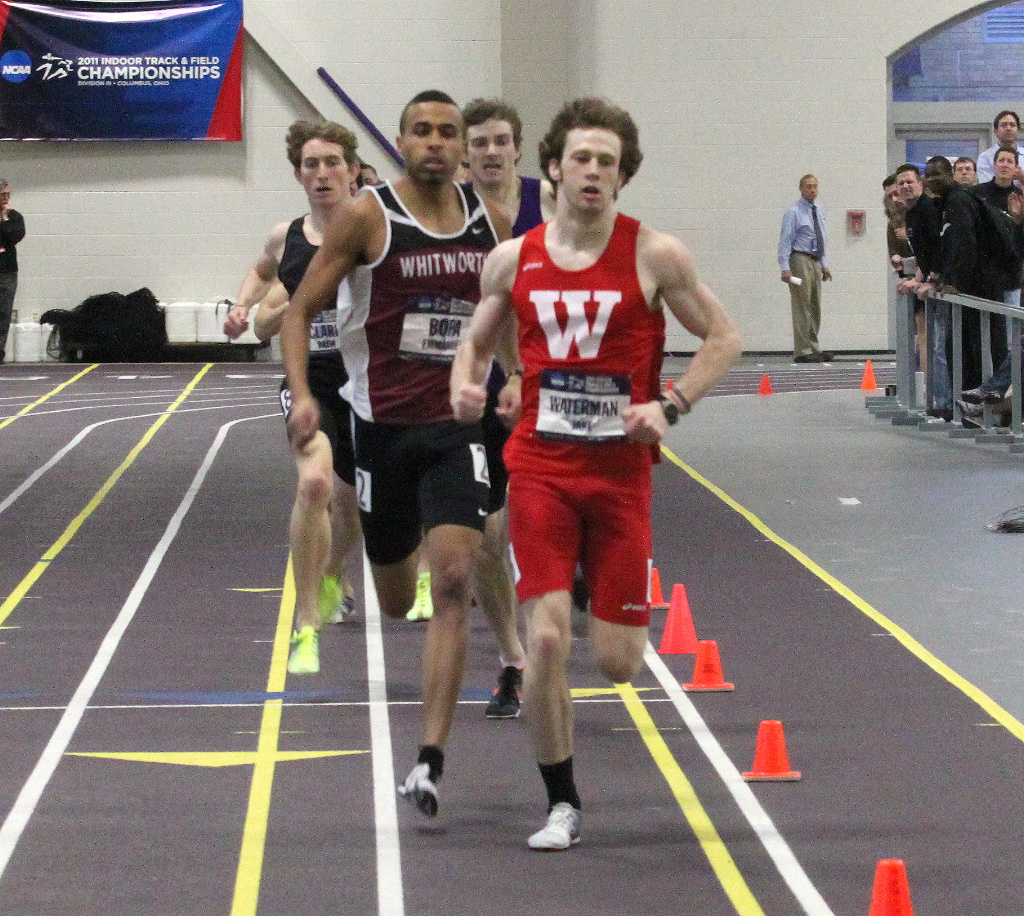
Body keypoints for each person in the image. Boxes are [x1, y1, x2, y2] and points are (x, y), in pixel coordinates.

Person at [450, 97, 741, 850]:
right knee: (547, 642)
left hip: (619, 476)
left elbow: (724, 338)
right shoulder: (515, 258)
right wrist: (467, 381)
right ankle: (561, 802)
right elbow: (477, 337)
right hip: (541, 466)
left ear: (623, 176)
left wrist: (669, 406)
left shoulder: (655, 255)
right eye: (581, 157)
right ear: (552, 167)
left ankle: (592, 588)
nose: (593, 172)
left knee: (618, 664)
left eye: (608, 162)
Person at [280, 90, 513, 818]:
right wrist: (303, 393)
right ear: (402, 141)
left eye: (449, 133)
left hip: (455, 427)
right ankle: (362, 567)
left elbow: (507, 315)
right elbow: (299, 310)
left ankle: (430, 759)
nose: (437, 143)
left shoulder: (491, 223)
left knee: (450, 582)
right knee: (393, 594)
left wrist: (521, 378)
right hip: (380, 429)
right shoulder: (368, 217)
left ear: (464, 145)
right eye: (423, 131)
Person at [222, 120, 364, 675]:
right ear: (299, 175)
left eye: (333, 162)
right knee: (314, 482)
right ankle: (306, 623)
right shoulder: (288, 238)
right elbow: (262, 297)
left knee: (352, 505)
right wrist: (247, 308)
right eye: (311, 165)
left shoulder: (376, 232)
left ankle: (332, 572)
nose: (323, 173)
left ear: (353, 170)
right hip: (310, 384)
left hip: (370, 385)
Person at [458, 96, 555, 718]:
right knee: (490, 533)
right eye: (480, 143)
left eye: (501, 142)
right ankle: (513, 659)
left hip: (552, 376)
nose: (491, 153)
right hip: (481, 381)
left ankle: (575, 579)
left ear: (517, 147)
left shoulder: (547, 202)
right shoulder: (447, 209)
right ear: (466, 153)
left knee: (550, 515)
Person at [778, 174, 833, 362]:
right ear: (801, 189)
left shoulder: (819, 210)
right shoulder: (794, 212)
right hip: (799, 260)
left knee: (815, 304)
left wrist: (824, 265)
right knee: (802, 305)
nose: (812, 190)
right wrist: (785, 267)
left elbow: (821, 237)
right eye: (808, 186)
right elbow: (785, 240)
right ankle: (803, 350)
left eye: (815, 186)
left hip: (815, 260)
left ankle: (813, 346)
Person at [0, 179, 26, 365]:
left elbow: (12, 236)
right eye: (3, 194)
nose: (7, 198)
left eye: (8, 194)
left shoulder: (15, 217)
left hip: (7, 272)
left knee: (3, 312)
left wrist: (4, 219)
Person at [977, 110, 1024, 184]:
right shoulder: (985, 158)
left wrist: (1022, 178)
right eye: (1004, 125)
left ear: (1018, 130)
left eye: (1012, 125)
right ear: (996, 131)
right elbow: (985, 190)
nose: (1008, 128)